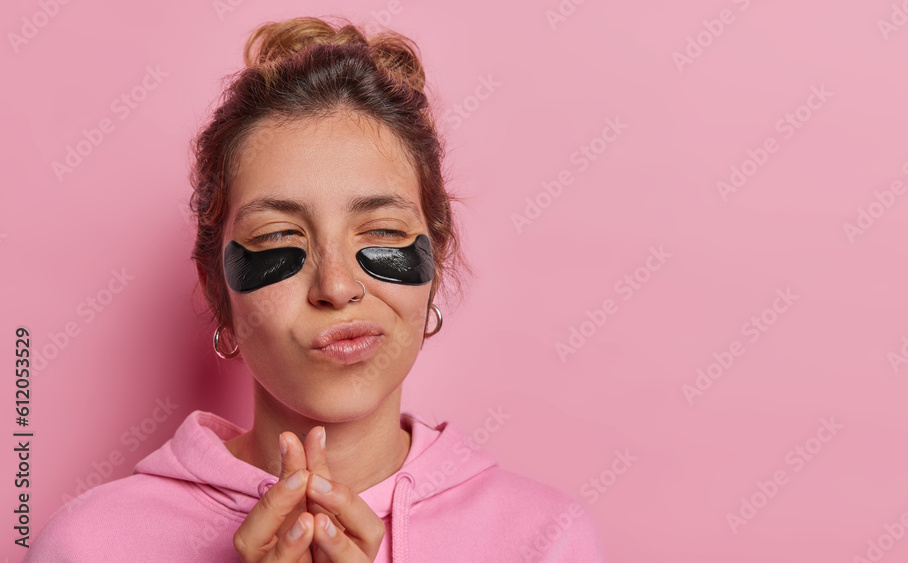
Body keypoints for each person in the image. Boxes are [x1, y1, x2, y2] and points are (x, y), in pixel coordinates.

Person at [25, 15, 606, 562]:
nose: (336, 285)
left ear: (436, 260)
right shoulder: (90, 545)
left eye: (380, 231)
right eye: (279, 237)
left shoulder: (546, 540)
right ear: (215, 289)